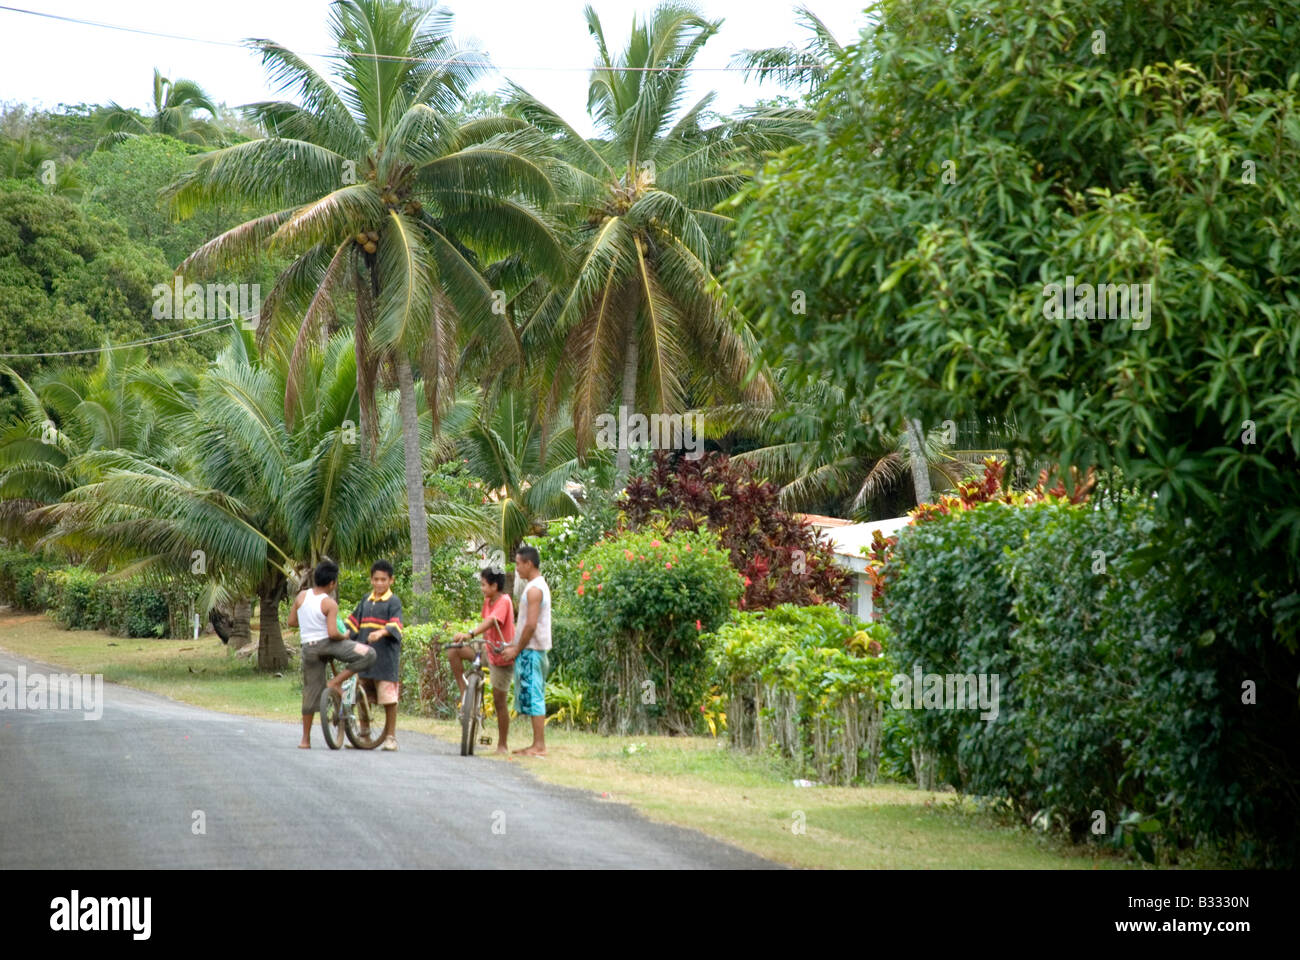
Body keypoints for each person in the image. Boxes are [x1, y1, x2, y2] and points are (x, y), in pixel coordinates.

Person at [288, 559, 376, 750]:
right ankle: (336, 682)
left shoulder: (301, 597)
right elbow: (332, 633)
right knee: (368, 653)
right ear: (332, 583)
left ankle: (305, 740)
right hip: (328, 645)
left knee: (311, 691)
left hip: (309, 649)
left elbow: (292, 622)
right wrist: (345, 634)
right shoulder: (329, 603)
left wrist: (309, 624)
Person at [448, 567, 515, 754]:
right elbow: (485, 624)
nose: (482, 588)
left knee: (499, 700)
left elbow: (491, 621)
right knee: (454, 650)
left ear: (494, 586)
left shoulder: (505, 601)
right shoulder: (487, 600)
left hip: (501, 654)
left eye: (484, 585)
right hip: (486, 648)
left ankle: (502, 745)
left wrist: (469, 634)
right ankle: (465, 694)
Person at [345, 560, 404, 751]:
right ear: (371, 580)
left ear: (391, 580)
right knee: (360, 695)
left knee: (388, 699)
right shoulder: (365, 600)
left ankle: (391, 737)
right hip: (364, 658)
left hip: (385, 659)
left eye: (383, 580)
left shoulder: (393, 602)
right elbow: (353, 624)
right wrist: (342, 634)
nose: (379, 583)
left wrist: (381, 632)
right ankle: (363, 734)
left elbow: (396, 625)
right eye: (376, 579)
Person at [500, 545, 551, 757]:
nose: (517, 568)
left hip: (532, 650)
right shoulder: (534, 586)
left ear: (529, 563)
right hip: (530, 650)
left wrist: (516, 649)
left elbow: (530, 625)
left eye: (519, 564)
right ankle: (535, 743)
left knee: (535, 695)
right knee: (532, 695)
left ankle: (539, 745)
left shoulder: (534, 590)